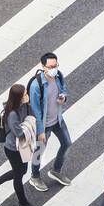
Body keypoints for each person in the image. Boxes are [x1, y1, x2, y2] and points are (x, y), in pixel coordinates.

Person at [0, 83, 40, 206]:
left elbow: (32, 116)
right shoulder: (12, 115)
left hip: (22, 145)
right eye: (25, 94)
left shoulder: (25, 106)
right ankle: (22, 203)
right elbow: (19, 133)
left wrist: (29, 122)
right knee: (18, 175)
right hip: (13, 149)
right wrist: (29, 124)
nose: (28, 96)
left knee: (21, 171)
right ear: (19, 98)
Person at [23, 52, 73, 192]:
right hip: (44, 125)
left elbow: (63, 89)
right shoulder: (36, 85)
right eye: (50, 66)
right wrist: (40, 131)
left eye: (55, 65)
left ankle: (55, 171)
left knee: (67, 143)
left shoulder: (58, 75)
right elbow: (35, 111)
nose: (54, 68)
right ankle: (34, 176)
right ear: (43, 66)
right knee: (39, 151)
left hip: (57, 119)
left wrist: (63, 96)